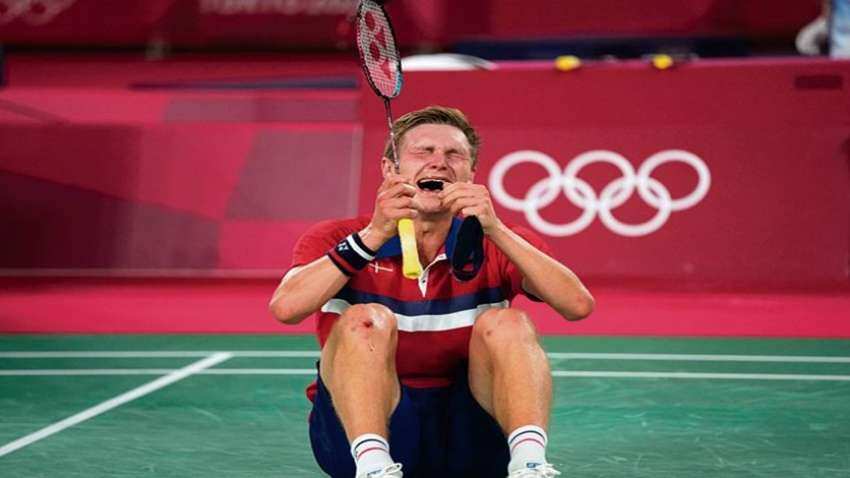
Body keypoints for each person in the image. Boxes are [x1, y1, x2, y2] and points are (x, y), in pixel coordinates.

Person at [269, 105, 594, 478]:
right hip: (361, 433)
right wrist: (374, 235)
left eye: (454, 154)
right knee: (362, 320)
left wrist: (495, 229)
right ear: (389, 169)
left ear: (471, 174)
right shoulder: (338, 237)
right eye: (423, 151)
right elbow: (287, 308)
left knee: (509, 322)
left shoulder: (496, 242)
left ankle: (529, 464)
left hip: (470, 434)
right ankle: (374, 467)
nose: (439, 162)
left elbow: (576, 305)